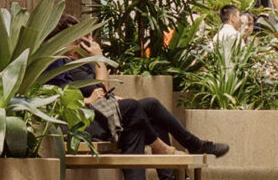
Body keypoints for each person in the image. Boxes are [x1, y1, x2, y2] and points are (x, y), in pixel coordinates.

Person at [56, 32, 229, 172]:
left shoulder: (80, 64)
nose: (87, 43)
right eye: (79, 39)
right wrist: (99, 59)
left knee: (148, 115)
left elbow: (103, 95)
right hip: (92, 120)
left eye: (88, 38)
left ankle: (171, 176)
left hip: (102, 111)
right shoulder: (68, 65)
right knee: (144, 107)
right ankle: (187, 147)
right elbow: (103, 90)